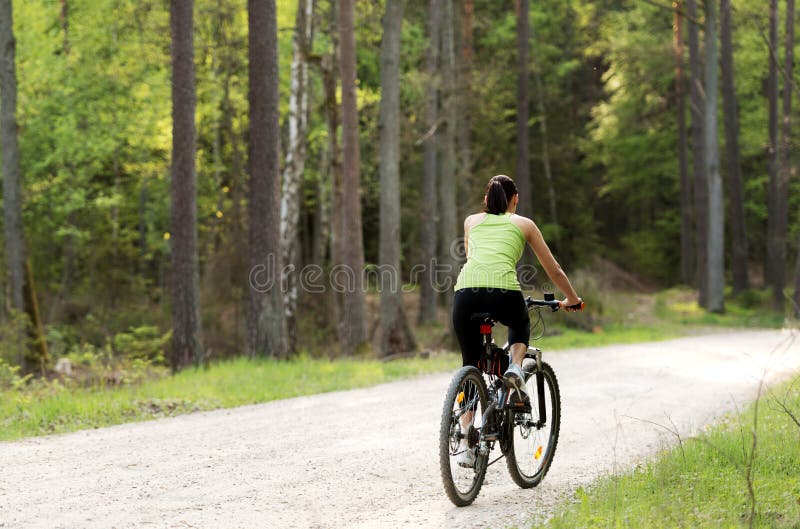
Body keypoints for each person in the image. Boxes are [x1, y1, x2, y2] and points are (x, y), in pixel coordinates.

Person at [452, 174, 582, 466]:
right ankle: (514, 368)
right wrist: (572, 299)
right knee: (520, 325)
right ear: (515, 200)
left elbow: (476, 258)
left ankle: (466, 439)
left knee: (471, 364)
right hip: (504, 293)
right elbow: (555, 269)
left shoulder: (471, 221)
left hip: (465, 295)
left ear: (486, 200)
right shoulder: (523, 224)